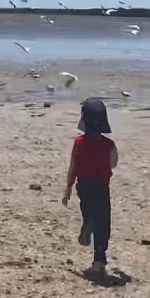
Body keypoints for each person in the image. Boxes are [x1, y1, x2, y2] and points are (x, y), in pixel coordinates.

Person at [61, 98, 118, 275]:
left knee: (88, 211)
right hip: (101, 186)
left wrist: (68, 189)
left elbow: (73, 167)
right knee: (103, 221)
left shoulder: (79, 143)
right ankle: (99, 260)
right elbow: (114, 164)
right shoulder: (109, 145)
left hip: (84, 185)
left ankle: (87, 224)